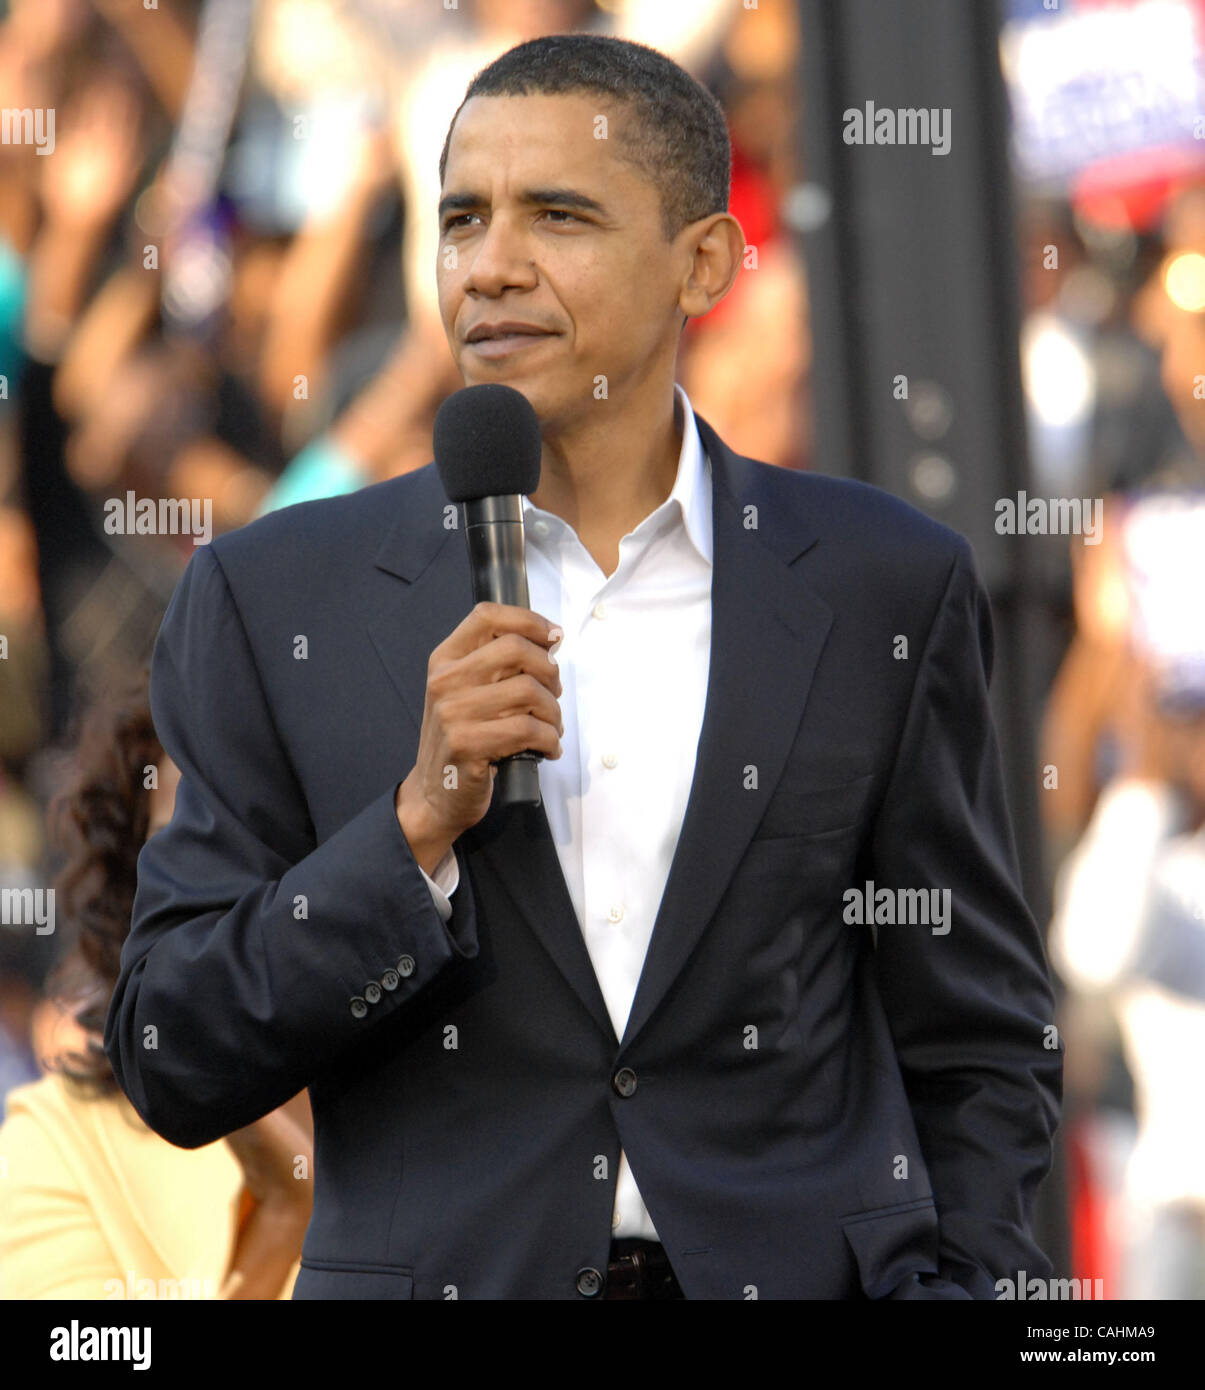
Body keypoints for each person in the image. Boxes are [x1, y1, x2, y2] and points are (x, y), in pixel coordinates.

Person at [105, 34, 1061, 1300]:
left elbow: (979, 1035)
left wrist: (967, 1287)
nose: (490, 264)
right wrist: (408, 838)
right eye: (462, 218)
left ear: (703, 261)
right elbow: (172, 1049)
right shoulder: (272, 596)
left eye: (557, 215)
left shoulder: (878, 582)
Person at [0, 674, 311, 1299]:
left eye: (282, 830)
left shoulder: (460, 1101)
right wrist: (279, 1222)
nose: (248, 886)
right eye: (192, 845)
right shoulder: (59, 1151)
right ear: (130, 901)